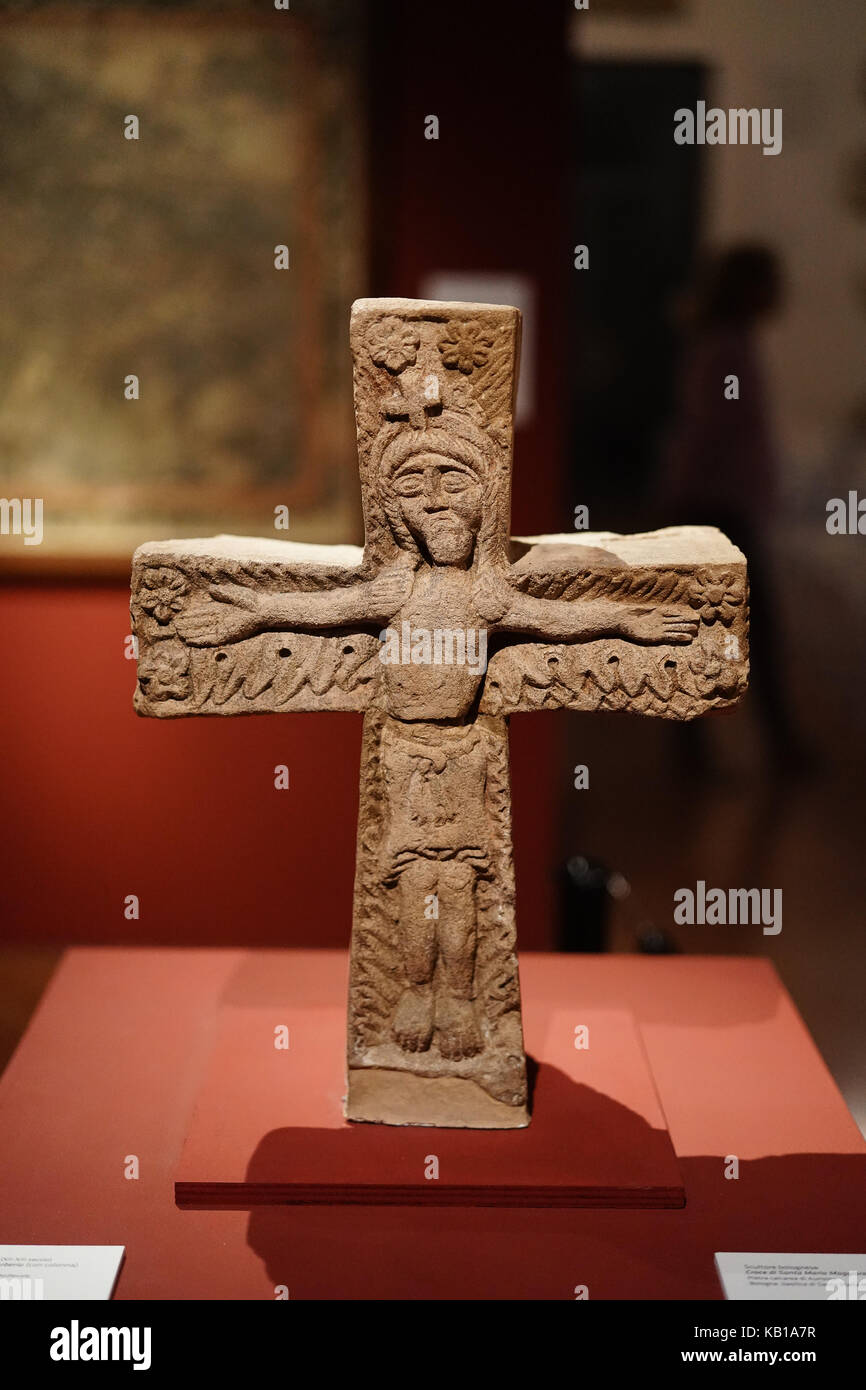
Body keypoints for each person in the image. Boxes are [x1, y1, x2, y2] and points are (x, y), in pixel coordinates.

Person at [660, 243, 803, 775]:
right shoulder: (725, 351)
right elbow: (708, 435)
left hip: (718, 505)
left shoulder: (728, 346)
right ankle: (753, 748)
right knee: (733, 628)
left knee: (725, 628)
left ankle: (709, 751)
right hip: (717, 508)